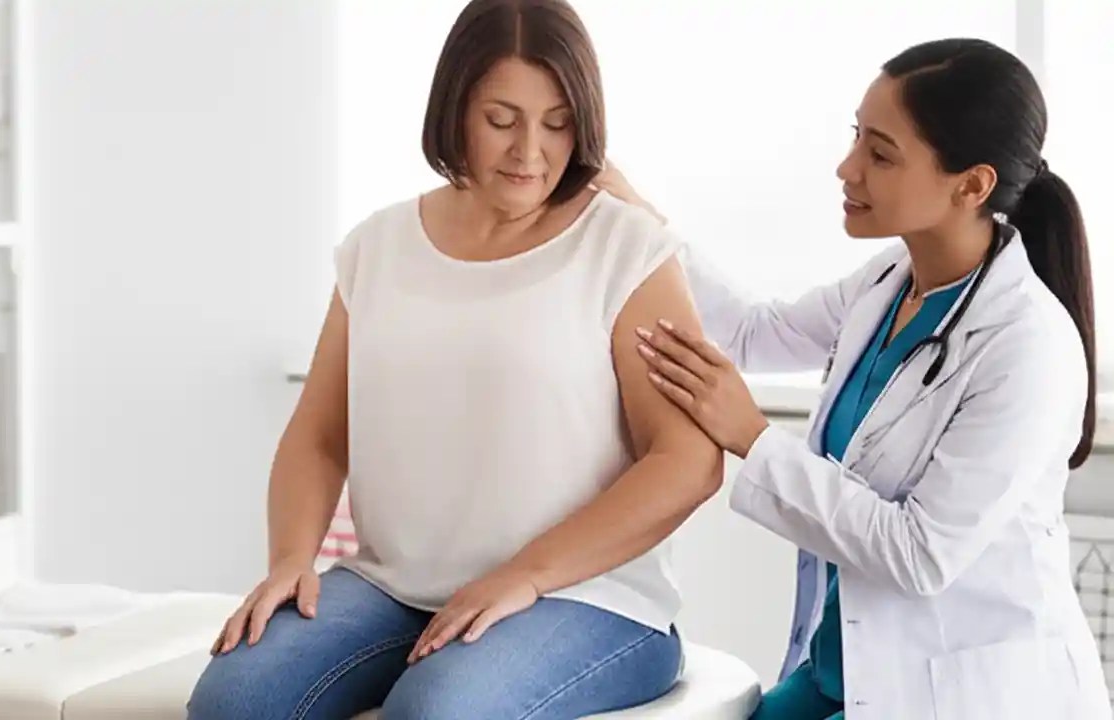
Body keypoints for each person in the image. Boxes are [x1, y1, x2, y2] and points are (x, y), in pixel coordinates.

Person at [186, 1, 723, 718]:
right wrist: (291, 560)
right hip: (393, 589)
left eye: (557, 122)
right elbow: (318, 436)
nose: (530, 151)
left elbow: (689, 459)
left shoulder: (628, 251)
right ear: (455, 110)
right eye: (502, 120)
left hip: (587, 598)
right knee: (236, 699)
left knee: (437, 712)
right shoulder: (377, 248)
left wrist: (527, 575)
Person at [598, 38, 1110, 720]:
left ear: (972, 184)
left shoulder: (1028, 346)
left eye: (881, 153)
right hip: (845, 673)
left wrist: (752, 436)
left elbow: (921, 554)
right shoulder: (890, 283)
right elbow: (754, 331)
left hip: (965, 695)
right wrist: (636, 218)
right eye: (856, 137)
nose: (848, 168)